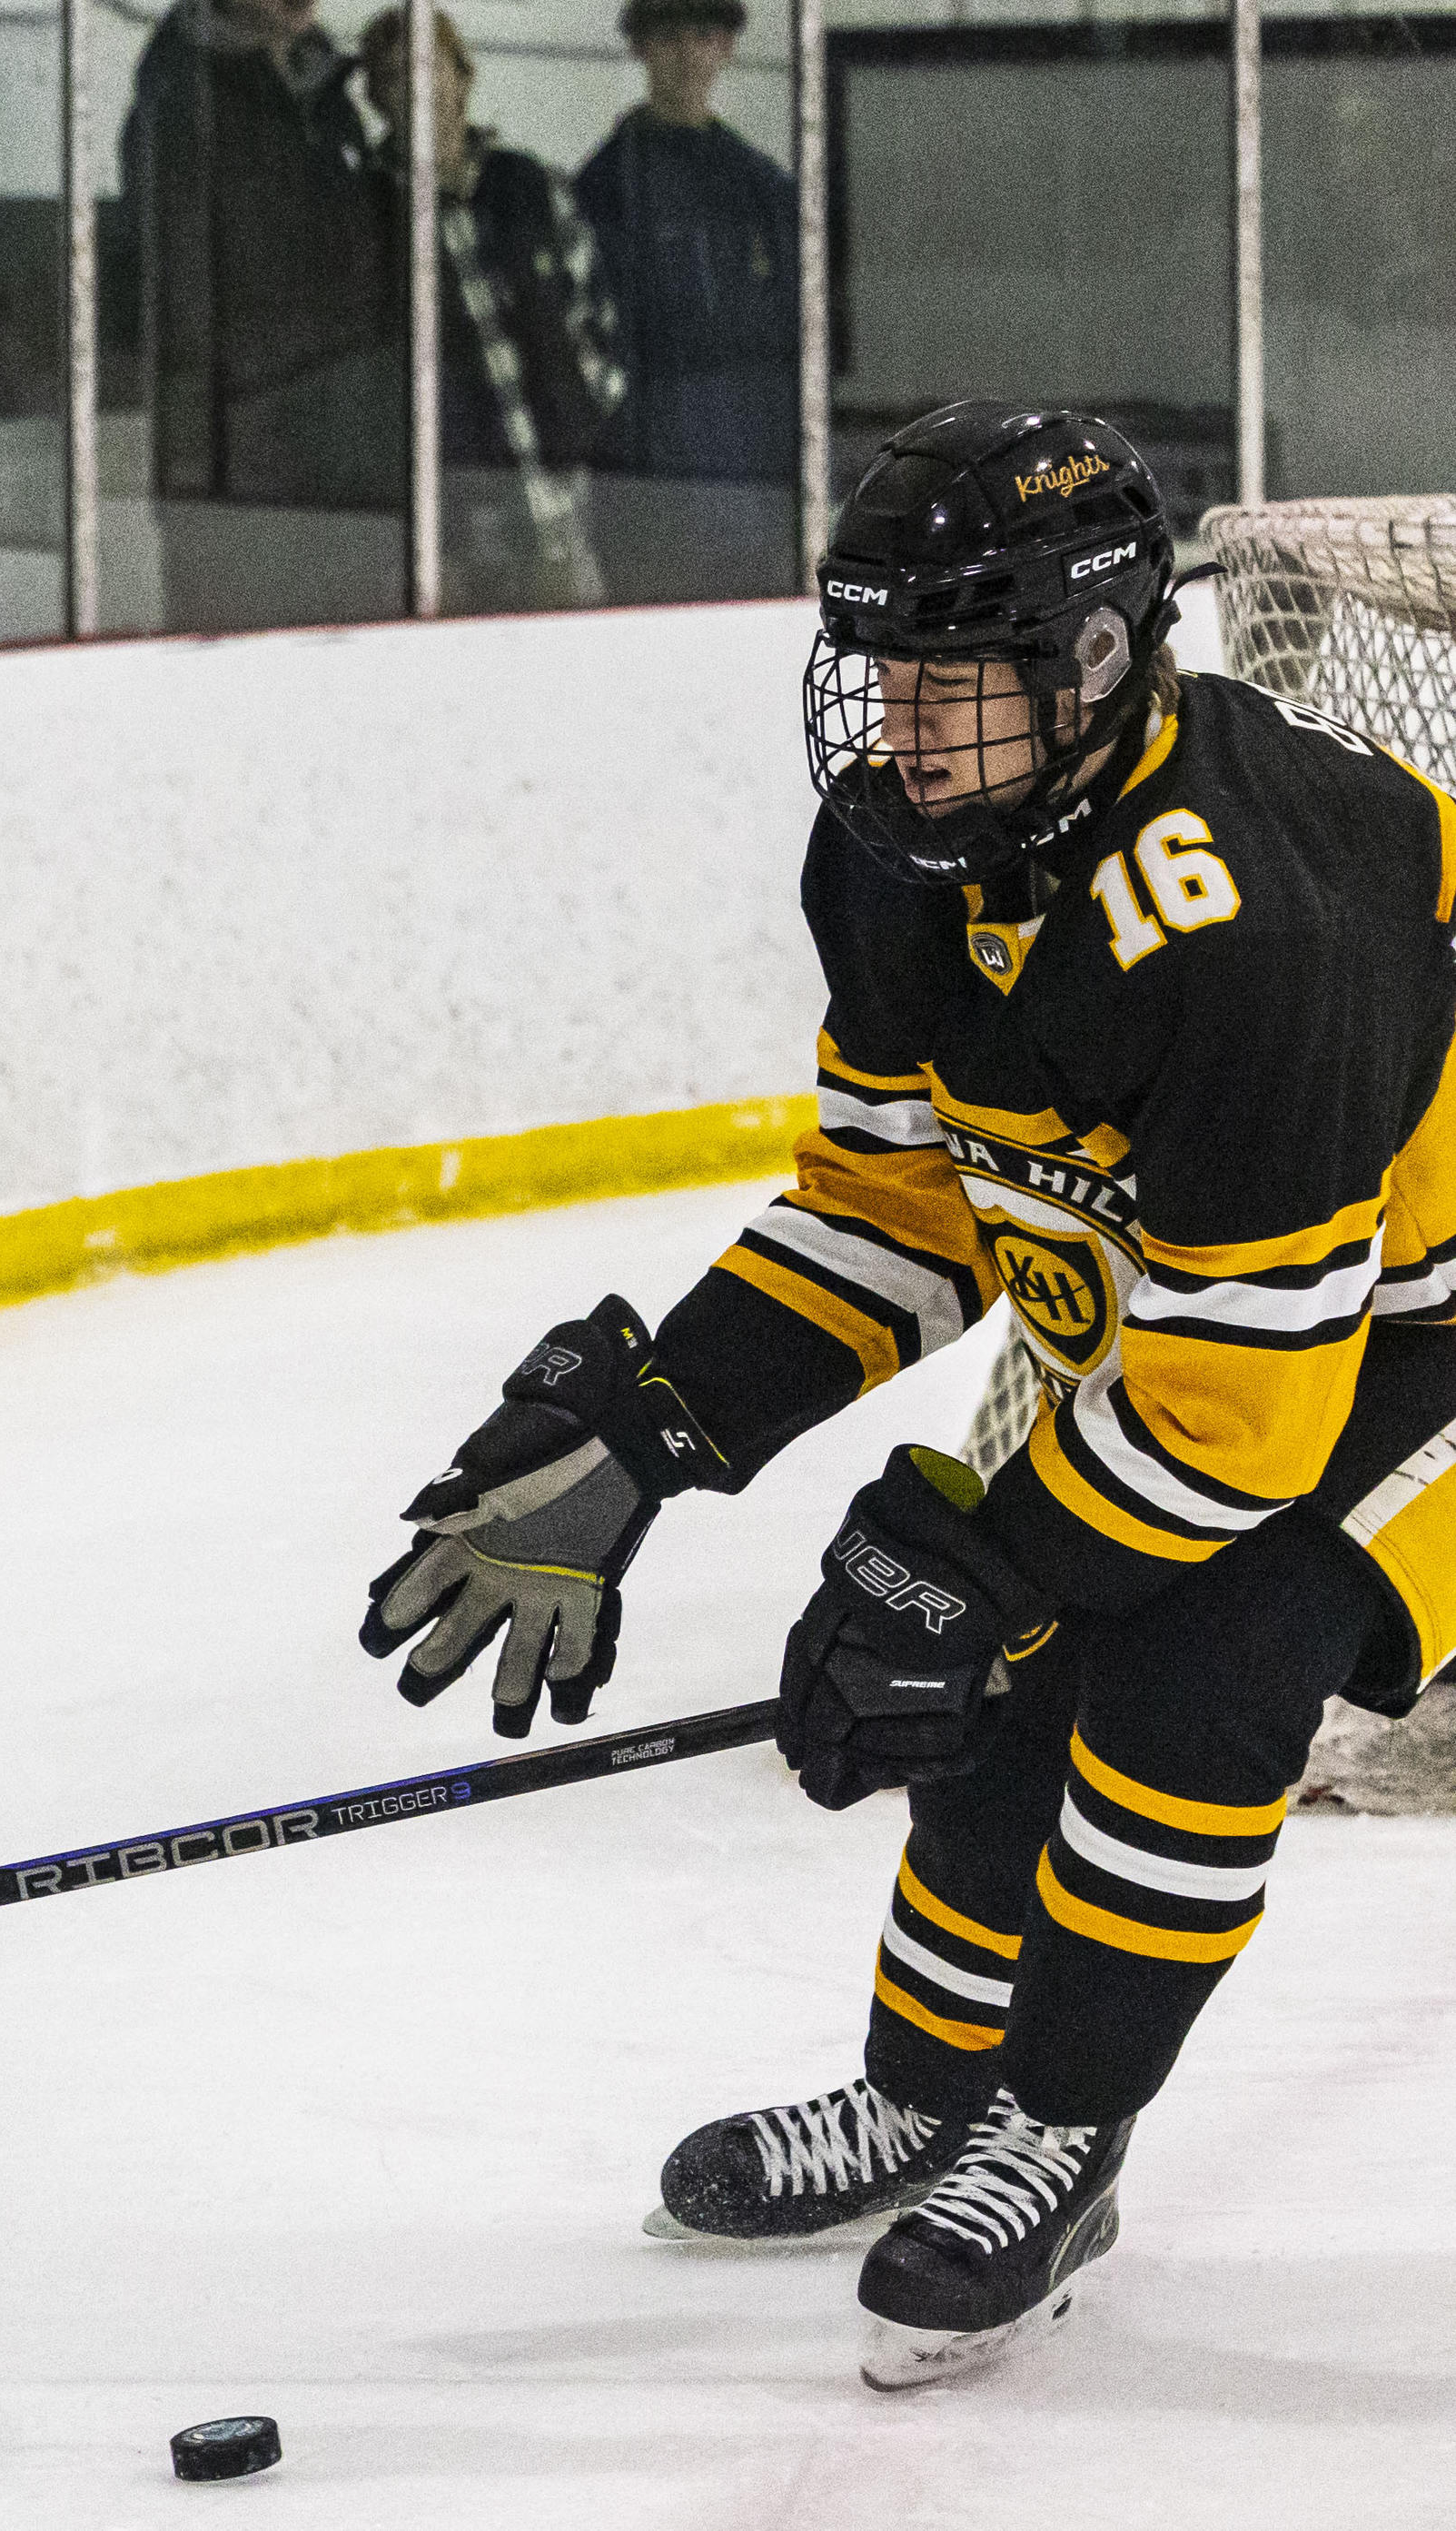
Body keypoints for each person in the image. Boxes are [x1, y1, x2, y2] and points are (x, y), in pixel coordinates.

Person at [356, 402, 1456, 2387]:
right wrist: (650, 1431)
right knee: (1001, 1610)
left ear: (1098, 663)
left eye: (951, 679)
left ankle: (1062, 2118)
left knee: (1206, 1634)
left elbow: (1239, 1430)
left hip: (1423, 1327)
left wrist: (968, 1563)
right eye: (877, 668)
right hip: (1252, 1312)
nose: (894, 721)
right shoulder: (898, 855)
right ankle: (927, 2098)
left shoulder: (1256, 925)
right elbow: (905, 1209)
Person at [356, 7, 621, 610]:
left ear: (462, 76)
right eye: (398, 75)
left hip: (557, 516)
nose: (419, 87)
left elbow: (598, 320)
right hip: (436, 537)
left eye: (432, 66)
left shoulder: (531, 185)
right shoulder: (362, 209)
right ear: (378, 98)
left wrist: (582, 423)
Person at [119, 0, 399, 511]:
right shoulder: (179, 104)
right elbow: (181, 313)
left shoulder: (328, 95)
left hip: (355, 452)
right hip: (252, 468)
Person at [573, 0, 796, 486]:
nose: (688, 56)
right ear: (641, 47)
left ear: (728, 48)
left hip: (756, 429)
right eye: (670, 39)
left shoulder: (763, 184)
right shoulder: (606, 184)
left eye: (704, 37)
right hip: (652, 429)